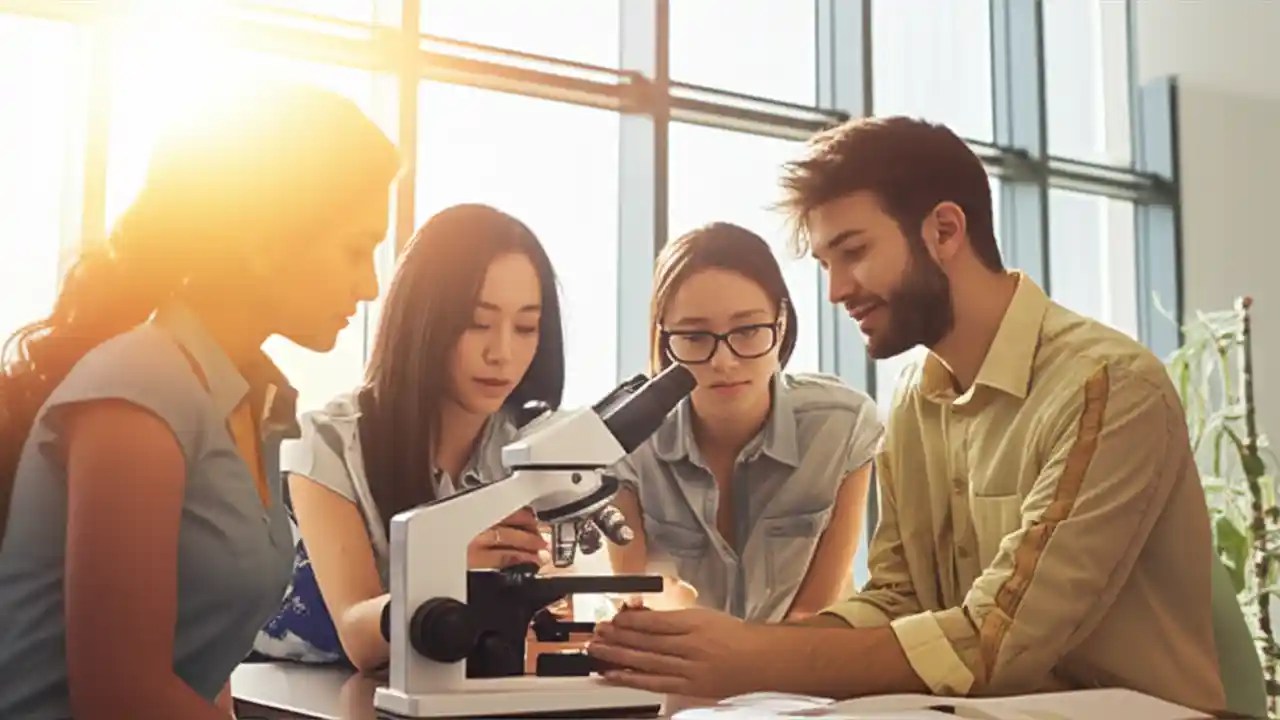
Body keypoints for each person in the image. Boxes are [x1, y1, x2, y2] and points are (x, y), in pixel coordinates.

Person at [586, 116, 1229, 715]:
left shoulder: (1106, 387)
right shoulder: (916, 399)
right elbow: (900, 598)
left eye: (853, 251)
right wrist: (730, 649)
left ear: (944, 231)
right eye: (826, 264)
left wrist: (753, 657)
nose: (836, 290)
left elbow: (996, 641)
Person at [0, 80, 400, 719]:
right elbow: (121, 699)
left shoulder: (248, 404)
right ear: (265, 240)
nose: (371, 283)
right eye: (356, 249)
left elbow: (202, 668)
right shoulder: (138, 391)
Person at [252, 203, 565, 673]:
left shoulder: (530, 446)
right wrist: (448, 571)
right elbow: (359, 638)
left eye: (525, 327)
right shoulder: (331, 442)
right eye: (478, 322)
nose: (502, 352)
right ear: (423, 317)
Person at [606, 222, 881, 623]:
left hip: (805, 672)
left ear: (781, 322)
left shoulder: (841, 425)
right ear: (664, 339)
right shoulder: (628, 444)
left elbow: (811, 616)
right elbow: (635, 603)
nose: (724, 361)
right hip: (680, 673)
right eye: (696, 337)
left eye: (749, 330)